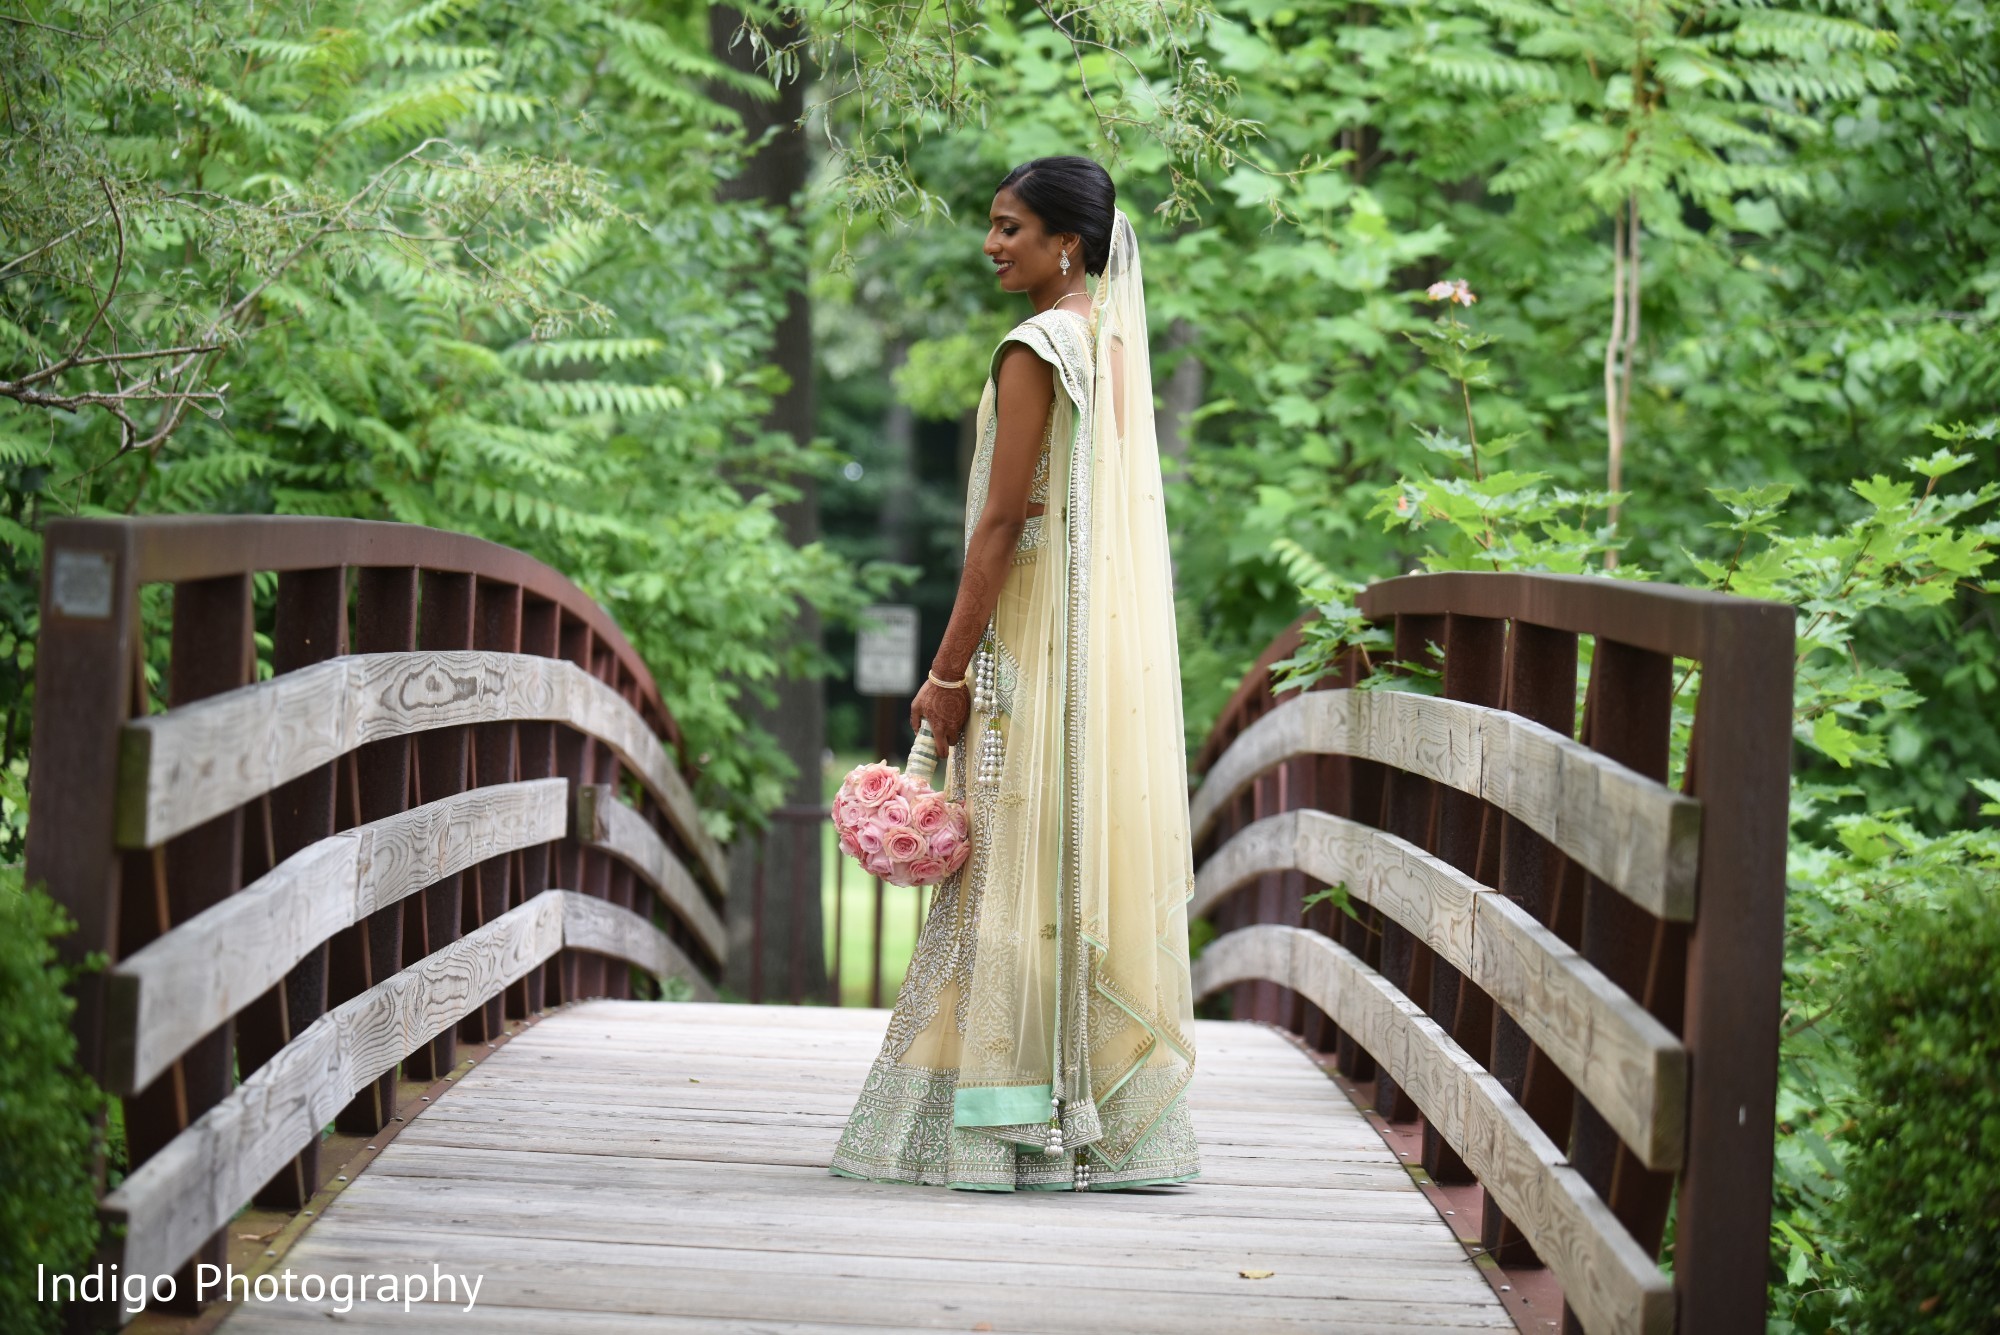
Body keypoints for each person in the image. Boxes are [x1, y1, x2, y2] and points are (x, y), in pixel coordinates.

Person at [828, 157, 1200, 1192]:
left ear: (1066, 244)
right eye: (989, 226)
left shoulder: (1036, 347)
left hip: (1030, 646)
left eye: (1008, 228)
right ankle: (1090, 1114)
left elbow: (999, 522)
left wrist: (946, 674)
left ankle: (995, 1127)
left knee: (1008, 869)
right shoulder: (1111, 342)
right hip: (1095, 651)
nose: (991, 246)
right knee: (1062, 869)